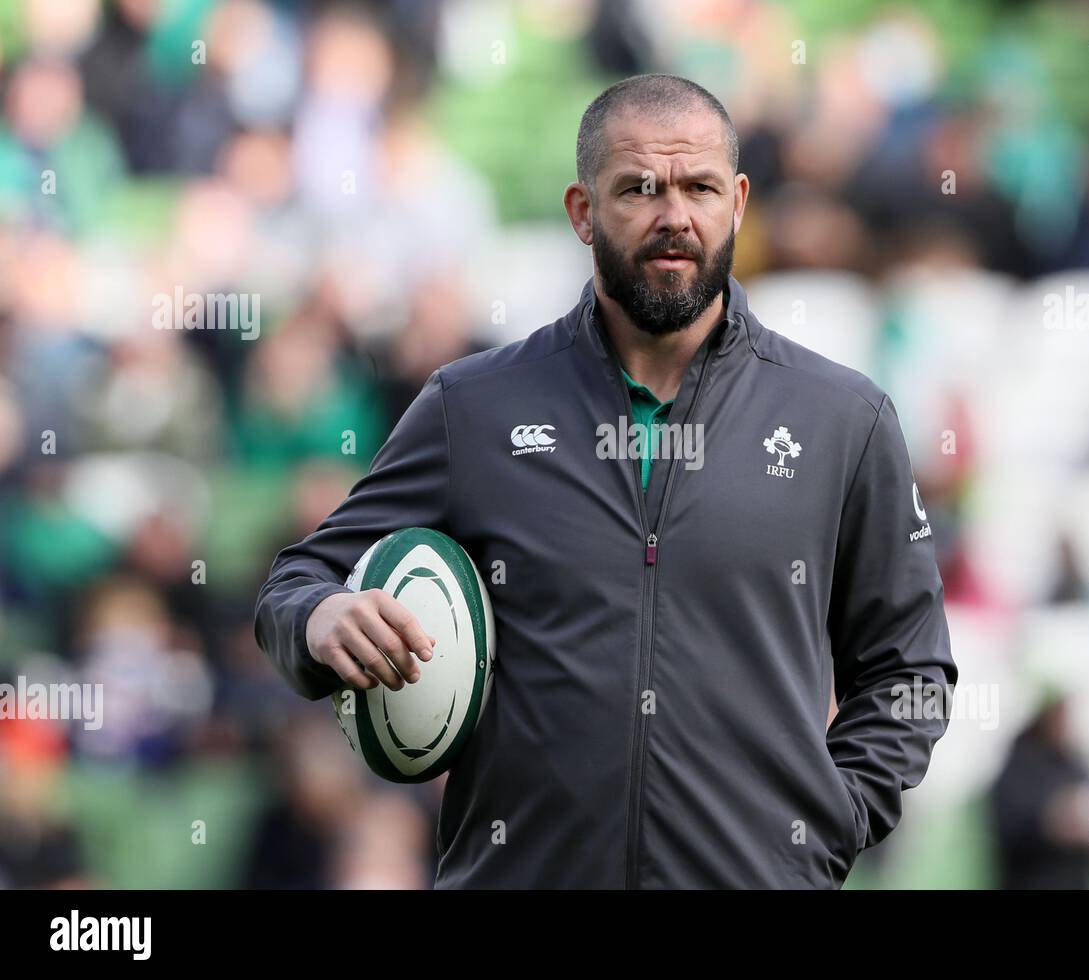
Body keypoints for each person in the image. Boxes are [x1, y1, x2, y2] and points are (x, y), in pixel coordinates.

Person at [254, 74, 956, 889]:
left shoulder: (843, 418)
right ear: (583, 212)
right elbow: (295, 582)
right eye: (638, 189)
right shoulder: (474, 407)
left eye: (698, 188)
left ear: (737, 201)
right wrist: (322, 616)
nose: (673, 216)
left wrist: (831, 822)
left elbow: (911, 671)